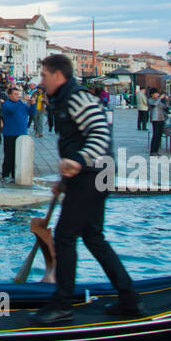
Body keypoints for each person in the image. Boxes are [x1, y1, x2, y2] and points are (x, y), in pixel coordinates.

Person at [32, 54, 139, 325]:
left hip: (93, 174)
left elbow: (100, 134)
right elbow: (76, 140)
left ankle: (63, 304)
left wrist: (77, 162)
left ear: (59, 75)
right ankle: (129, 298)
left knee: (65, 236)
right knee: (93, 237)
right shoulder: (65, 99)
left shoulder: (78, 98)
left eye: (44, 75)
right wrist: (66, 179)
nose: (42, 81)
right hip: (90, 174)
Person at [0, 86, 29, 180]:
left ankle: (15, 173)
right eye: (15, 94)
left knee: (19, 155)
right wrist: (22, 101)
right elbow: (12, 110)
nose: (18, 96)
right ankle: (6, 174)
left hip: (21, 133)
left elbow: (31, 112)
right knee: (9, 154)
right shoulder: (7, 104)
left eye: (18, 94)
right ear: (10, 95)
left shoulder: (21, 104)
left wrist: (32, 105)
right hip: (10, 133)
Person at [148, 89, 167, 155]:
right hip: (155, 119)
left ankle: (156, 150)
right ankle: (152, 150)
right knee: (155, 135)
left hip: (161, 119)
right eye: (156, 93)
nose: (157, 95)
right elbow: (154, 104)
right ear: (152, 94)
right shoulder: (150, 100)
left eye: (157, 93)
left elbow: (164, 107)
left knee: (159, 135)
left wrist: (166, 100)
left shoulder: (159, 100)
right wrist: (160, 98)